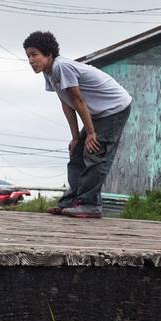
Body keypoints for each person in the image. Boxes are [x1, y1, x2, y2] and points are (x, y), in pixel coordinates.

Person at [23, 30, 132, 219]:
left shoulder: (61, 67)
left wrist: (91, 134)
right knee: (76, 153)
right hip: (96, 113)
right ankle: (71, 202)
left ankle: (90, 204)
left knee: (95, 152)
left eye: (35, 55)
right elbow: (67, 103)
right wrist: (75, 138)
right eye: (28, 56)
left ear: (48, 54)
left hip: (114, 108)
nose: (31, 60)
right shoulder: (49, 73)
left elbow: (79, 100)